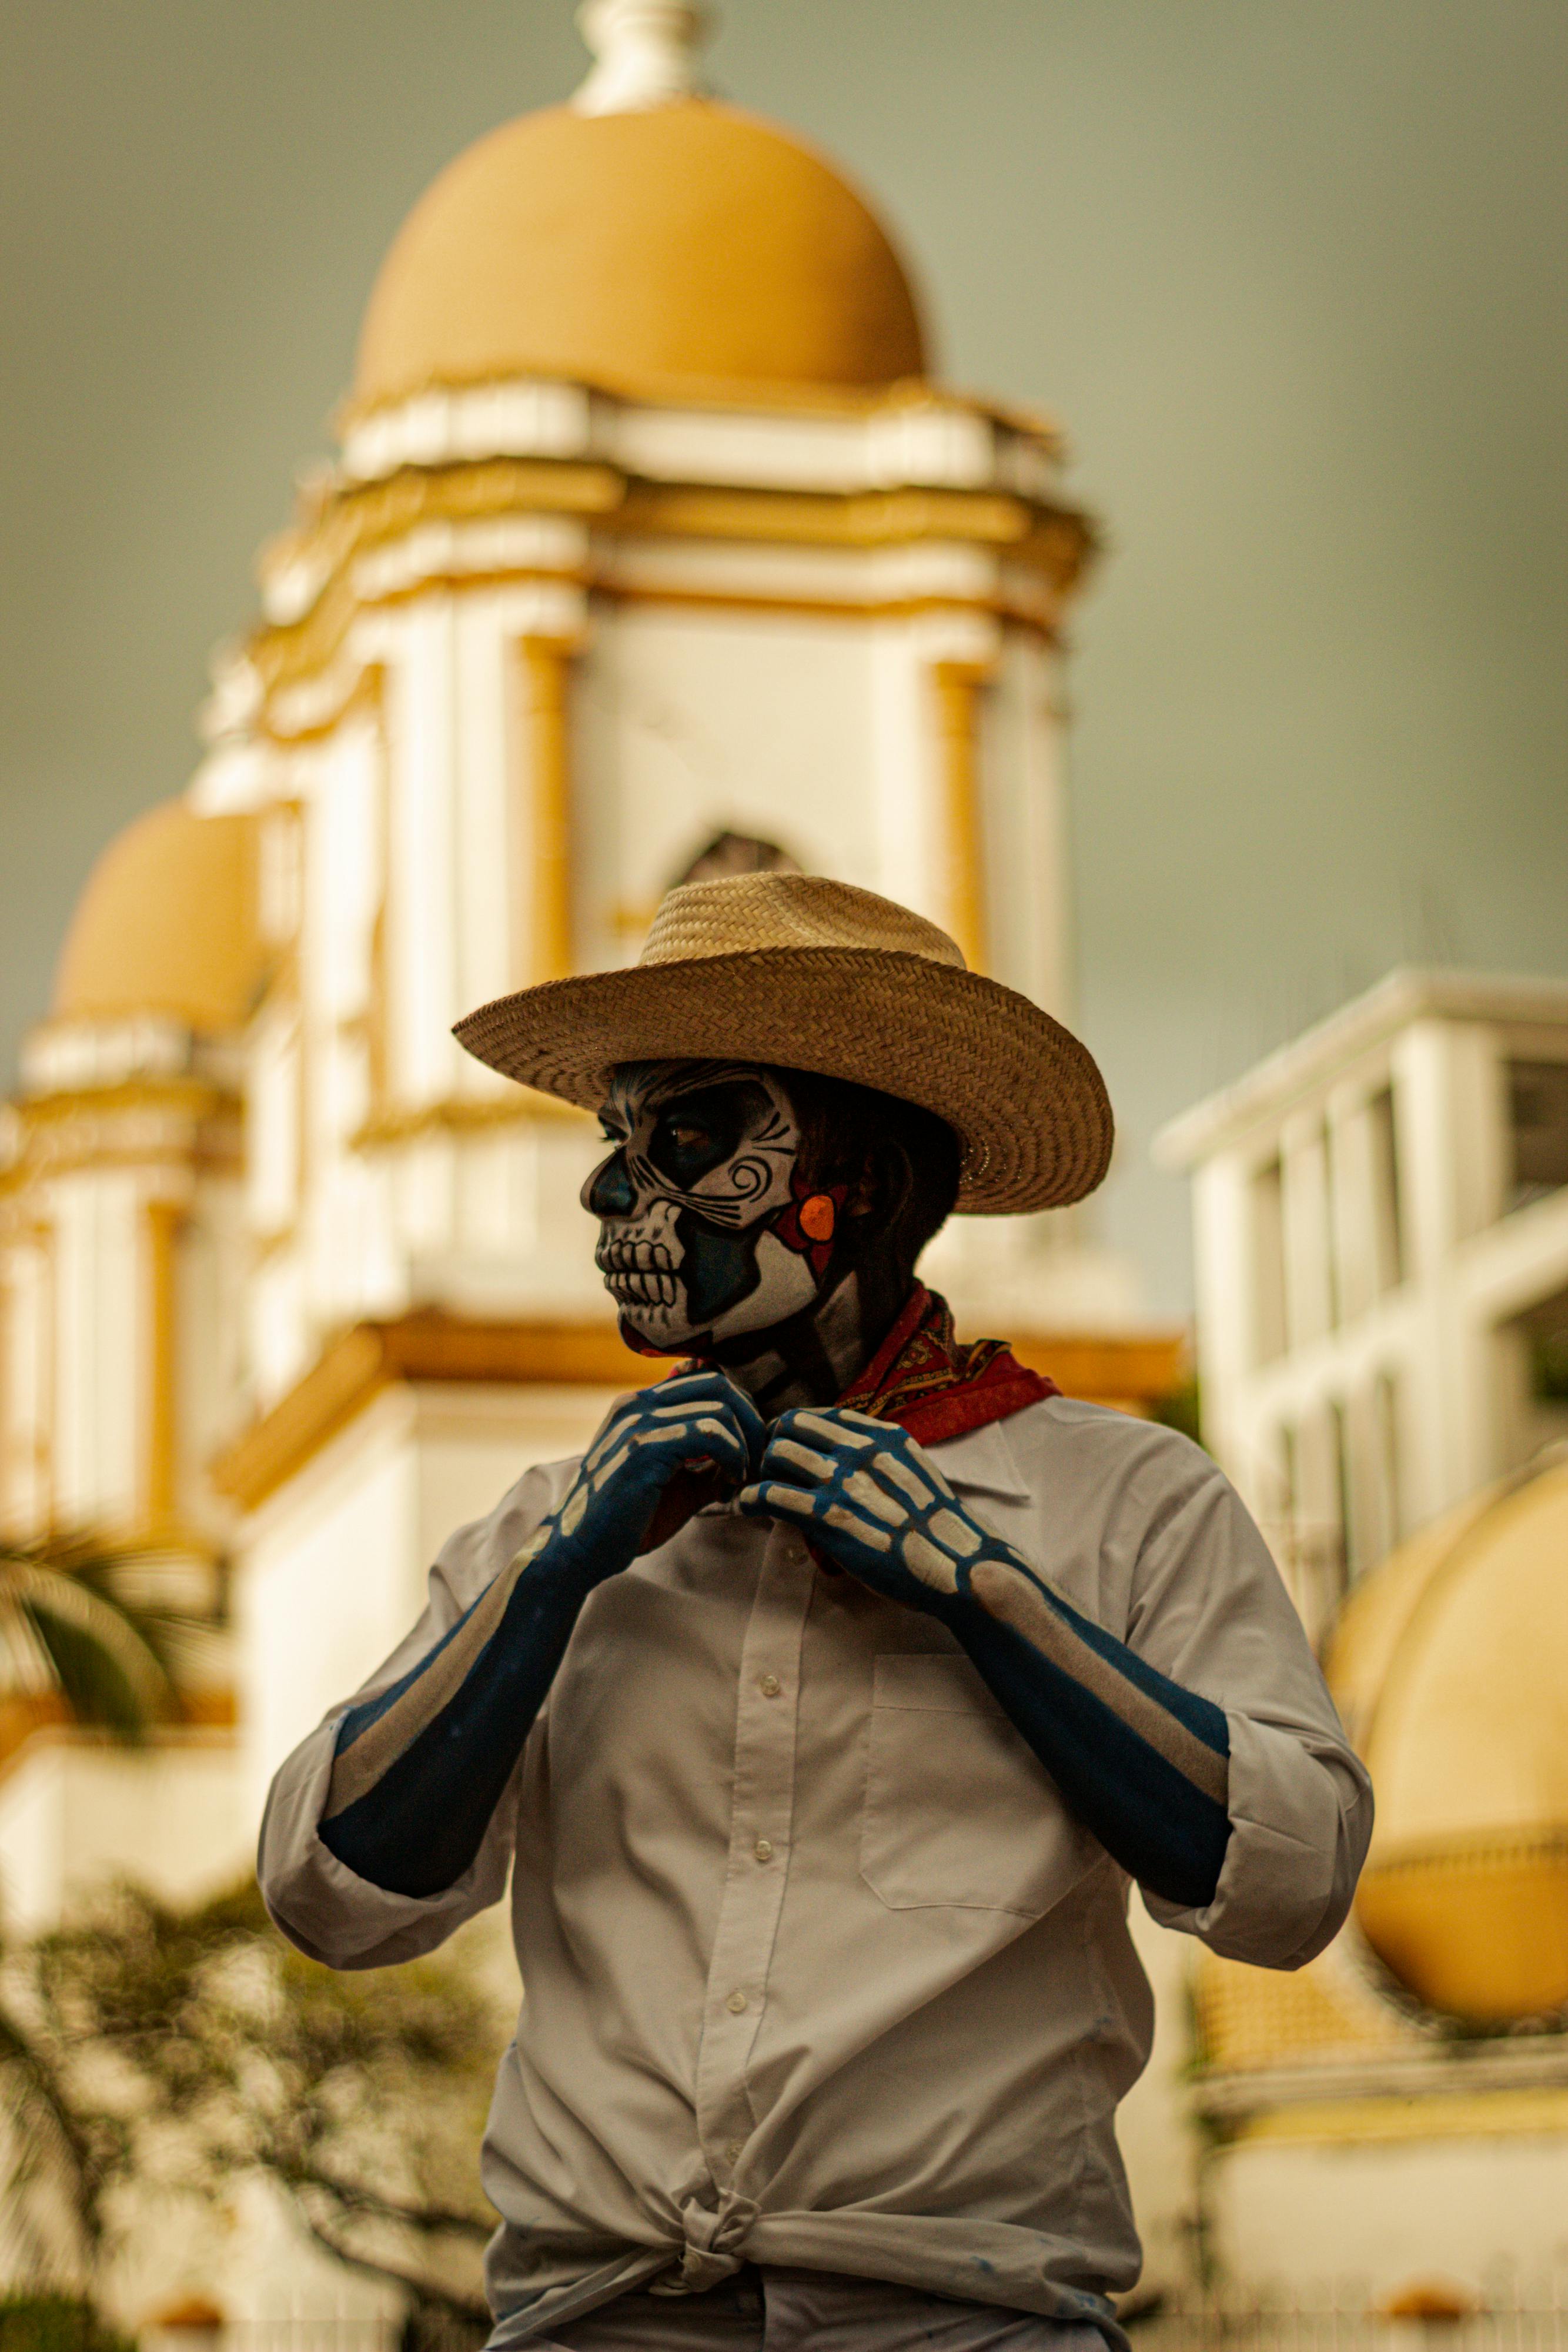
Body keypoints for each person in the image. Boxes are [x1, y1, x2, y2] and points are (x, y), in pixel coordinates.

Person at [259, 873, 1372, 2352]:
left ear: (876, 1191)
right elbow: (325, 1891)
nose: (606, 1194)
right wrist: (549, 1585)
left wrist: (984, 1598)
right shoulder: (546, 1526)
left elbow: (1291, 1887)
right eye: (614, 1141)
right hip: (596, 2320)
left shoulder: (1129, 1499)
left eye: (688, 1142)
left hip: (972, 2325)